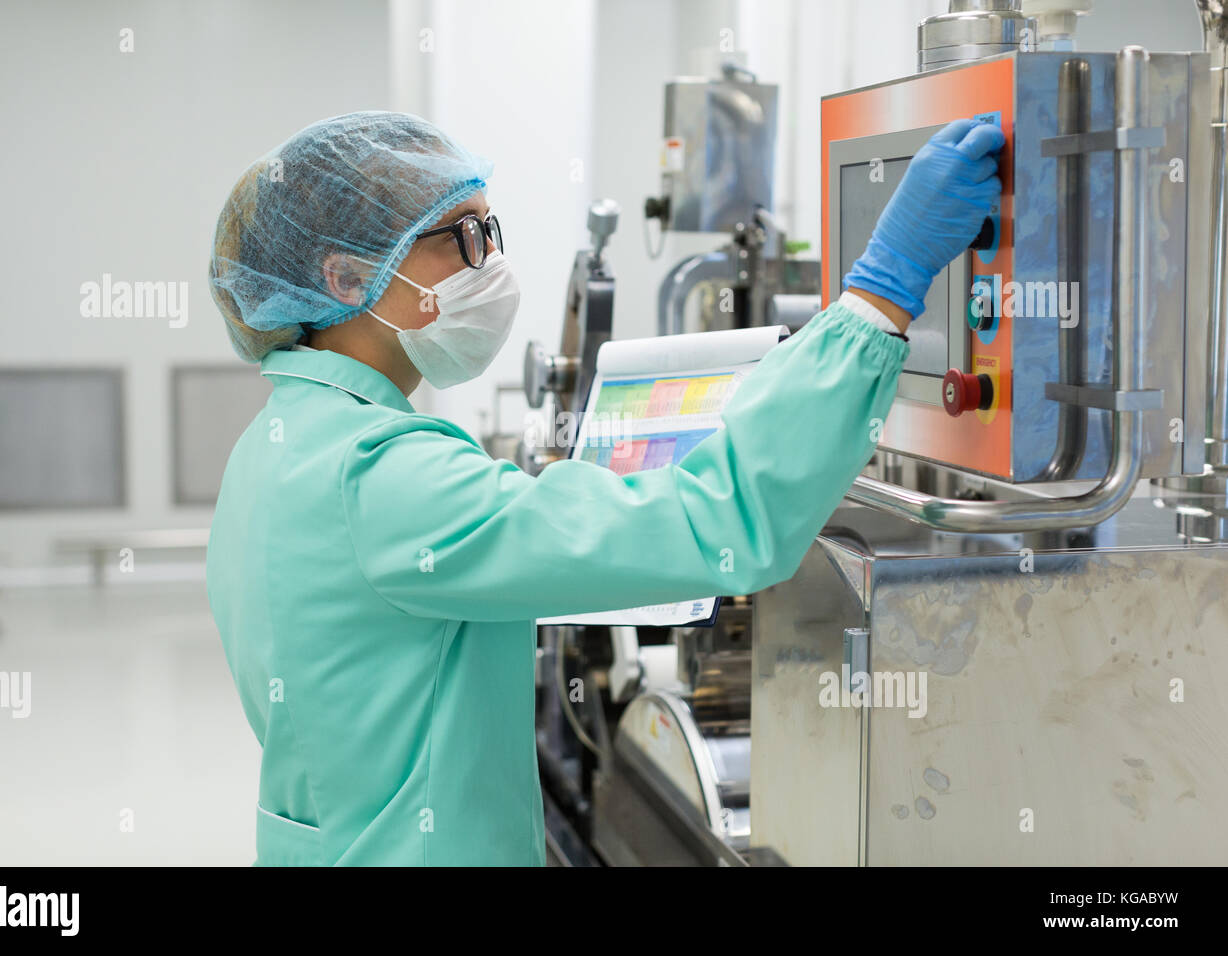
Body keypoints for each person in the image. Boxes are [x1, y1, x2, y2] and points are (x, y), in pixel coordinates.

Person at [206, 111, 1003, 866]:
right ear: (347, 276)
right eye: (464, 238)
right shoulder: (379, 474)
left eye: (494, 232)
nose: (492, 264)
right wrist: (880, 296)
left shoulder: (277, 447)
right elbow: (720, 521)